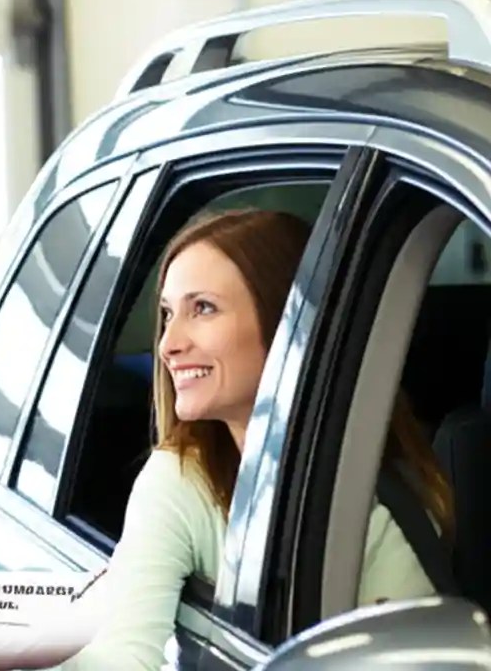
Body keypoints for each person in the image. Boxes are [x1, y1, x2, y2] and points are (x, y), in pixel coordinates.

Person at [51, 208, 455, 669]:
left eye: (203, 308)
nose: (167, 344)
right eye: (167, 313)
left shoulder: (387, 491)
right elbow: (122, 657)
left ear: (285, 322)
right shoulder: (181, 480)